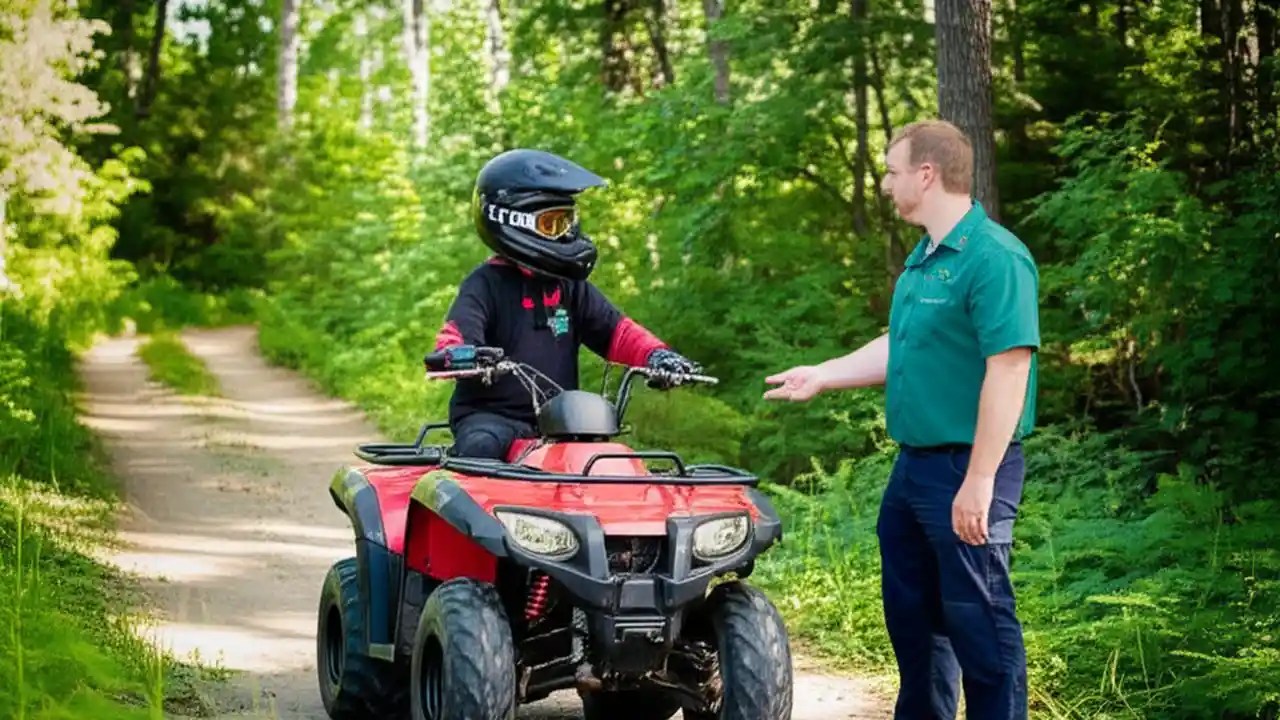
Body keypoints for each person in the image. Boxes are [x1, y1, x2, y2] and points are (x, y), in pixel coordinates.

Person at [763, 120, 1039, 719]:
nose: (885, 184)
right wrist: (824, 373)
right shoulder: (924, 259)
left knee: (981, 625)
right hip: (914, 470)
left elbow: (1010, 371)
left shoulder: (995, 258)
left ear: (926, 173)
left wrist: (980, 480)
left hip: (970, 467)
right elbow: (903, 345)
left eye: (891, 171)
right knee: (916, 626)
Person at [429, 148, 700, 460]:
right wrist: (460, 356)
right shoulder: (485, 284)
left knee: (609, 462)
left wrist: (659, 357)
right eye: (551, 225)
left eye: (566, 222)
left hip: (561, 421)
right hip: (492, 418)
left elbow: (618, 333)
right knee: (480, 446)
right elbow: (455, 337)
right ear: (511, 221)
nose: (564, 234)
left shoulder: (572, 288)